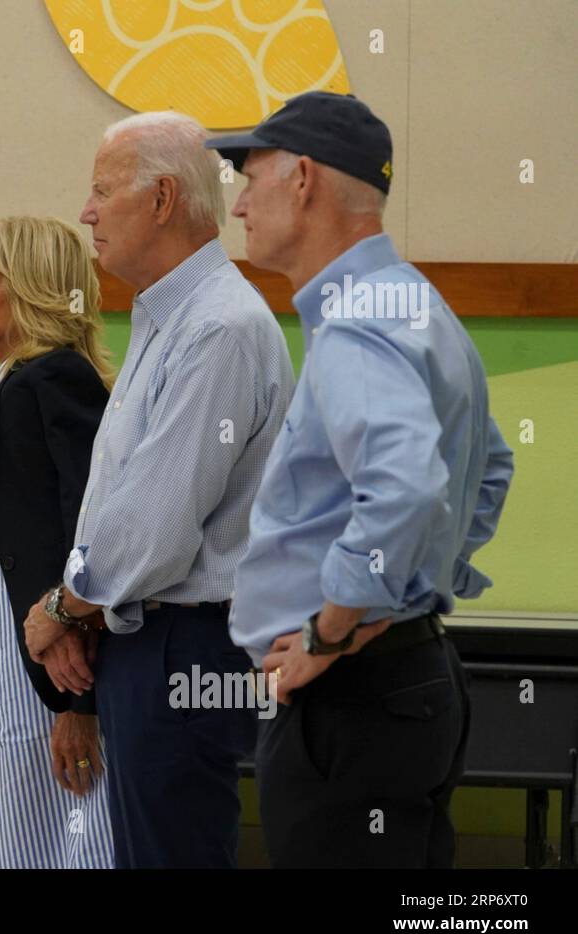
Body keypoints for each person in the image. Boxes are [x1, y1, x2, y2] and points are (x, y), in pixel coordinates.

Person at [208, 91, 515, 867]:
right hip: (405, 679)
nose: (240, 204)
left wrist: (332, 627)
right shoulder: (415, 305)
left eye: (252, 176)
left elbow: (408, 488)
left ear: (303, 178)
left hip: (350, 697)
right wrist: (397, 589)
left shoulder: (355, 323)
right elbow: (487, 472)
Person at [23, 111, 294, 868]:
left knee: (172, 854)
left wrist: (57, 607)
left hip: (186, 641)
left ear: (163, 199)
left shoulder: (217, 329)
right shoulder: (171, 317)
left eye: (101, 191)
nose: (85, 212)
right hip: (153, 634)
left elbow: (154, 526)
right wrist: (88, 609)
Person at [0, 215, 115, 868]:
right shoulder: (18, 386)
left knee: (63, 831)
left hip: (44, 673)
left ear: (33, 295)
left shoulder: (50, 381)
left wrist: (77, 703)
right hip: (12, 660)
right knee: (26, 826)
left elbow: (83, 537)